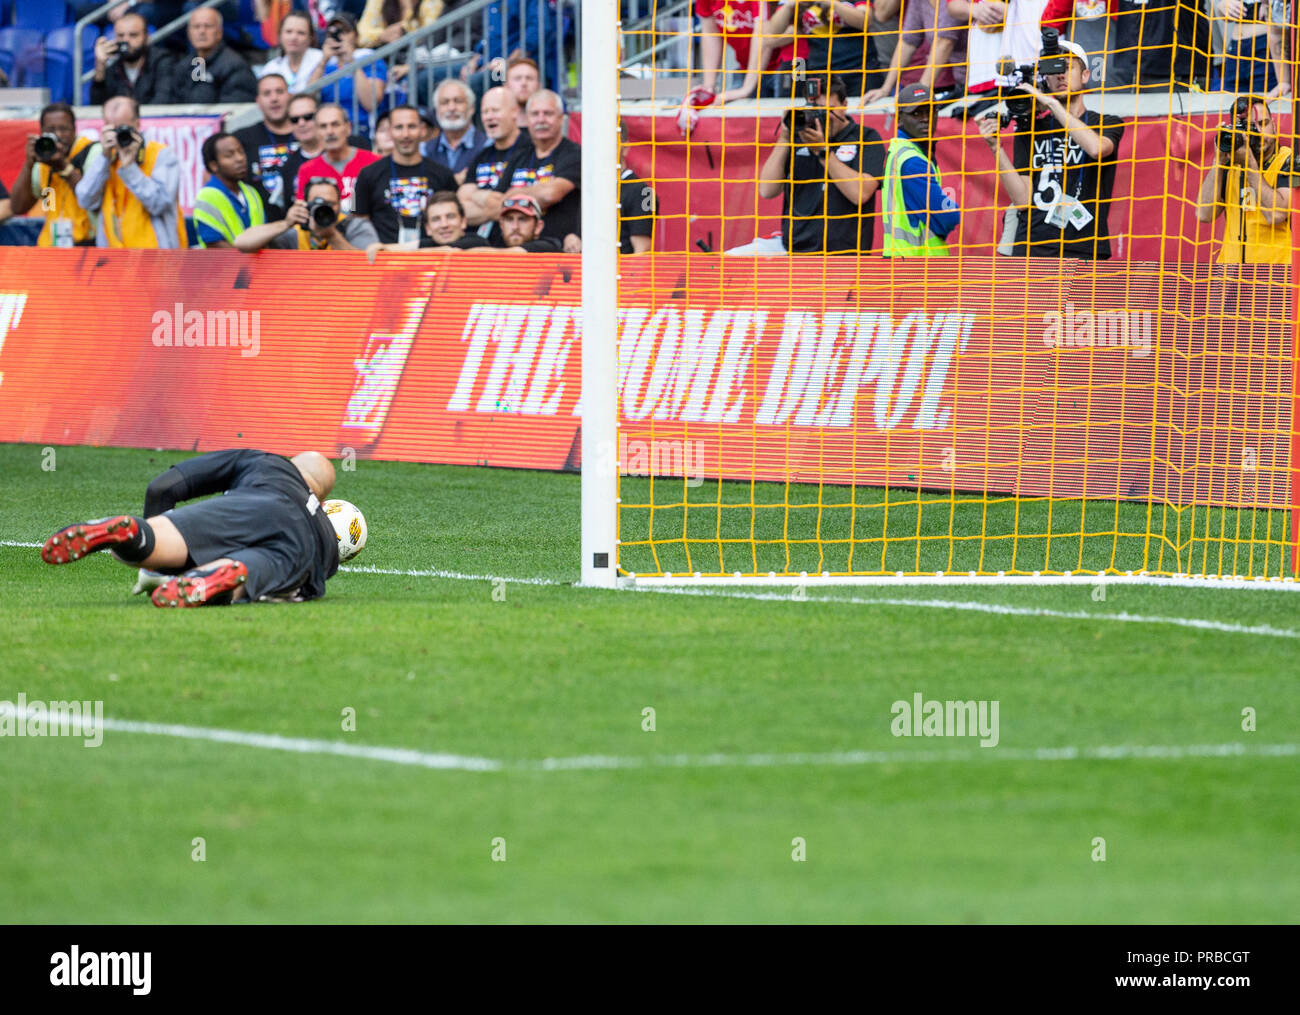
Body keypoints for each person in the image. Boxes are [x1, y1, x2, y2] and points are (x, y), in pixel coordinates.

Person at [41, 450, 349, 608]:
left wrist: (159, 565)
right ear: (321, 498)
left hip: (250, 501)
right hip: (299, 542)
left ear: (293, 464)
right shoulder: (325, 537)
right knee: (254, 572)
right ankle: (218, 577)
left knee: (150, 543)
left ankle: (132, 533)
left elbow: (163, 487)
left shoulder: (264, 462)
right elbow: (308, 588)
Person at [976, 38, 1124, 259]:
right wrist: (996, 148)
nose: (1060, 75)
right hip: (1032, 248)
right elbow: (1023, 200)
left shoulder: (1107, 122)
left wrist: (1051, 104)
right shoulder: (1031, 126)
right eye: (1052, 69)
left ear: (1085, 76)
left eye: (1067, 66)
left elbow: (1096, 149)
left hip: (1084, 249)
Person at [738, 75, 886, 254]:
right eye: (815, 110)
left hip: (843, 256)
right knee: (730, 261)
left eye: (828, 110)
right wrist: (785, 137)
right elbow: (767, 190)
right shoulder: (799, 137)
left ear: (845, 104)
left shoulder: (866, 137)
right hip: (793, 249)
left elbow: (860, 194)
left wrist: (822, 151)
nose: (822, 117)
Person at [461, 90, 580, 249]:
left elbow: (550, 194)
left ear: (561, 118)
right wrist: (514, 198)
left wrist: (511, 196)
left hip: (553, 248)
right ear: (527, 119)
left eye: (548, 113)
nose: (541, 119)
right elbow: (497, 202)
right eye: (535, 114)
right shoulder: (520, 155)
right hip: (512, 248)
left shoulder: (574, 153)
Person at [76, 96, 186, 249]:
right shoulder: (105, 157)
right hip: (114, 259)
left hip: (156, 257)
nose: (120, 135)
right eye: (113, 129)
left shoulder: (161, 154)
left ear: (137, 123)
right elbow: (85, 199)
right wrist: (104, 158)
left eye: (124, 128)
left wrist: (129, 168)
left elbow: (160, 203)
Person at [1195, 94, 1294, 263]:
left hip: (1276, 278)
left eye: (1263, 124)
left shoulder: (1290, 160)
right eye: (1250, 127)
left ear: (1274, 125)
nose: (1259, 132)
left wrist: (1249, 164)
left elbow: (1276, 215)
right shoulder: (1230, 164)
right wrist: (1218, 160)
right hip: (1232, 277)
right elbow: (1204, 214)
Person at [353, 105, 458, 245]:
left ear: (422, 130)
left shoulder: (443, 174)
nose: (405, 134)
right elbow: (358, 221)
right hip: (385, 259)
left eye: (412, 127)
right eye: (399, 127)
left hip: (432, 258)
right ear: (390, 131)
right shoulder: (368, 174)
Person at [677, 1, 784, 133]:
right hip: (746, 70)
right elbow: (711, 32)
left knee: (784, 126)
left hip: (785, 68)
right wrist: (708, 87)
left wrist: (746, 89)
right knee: (738, 129)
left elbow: (763, 34)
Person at [880, 84, 960, 256]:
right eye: (916, 113)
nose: (925, 118)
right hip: (916, 266)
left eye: (930, 111)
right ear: (899, 118)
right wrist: (953, 207)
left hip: (904, 261)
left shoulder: (902, 150)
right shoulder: (912, 161)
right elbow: (948, 218)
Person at [9, 103, 96, 248]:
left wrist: (63, 167)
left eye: (63, 129)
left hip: (87, 246)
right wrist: (29, 164)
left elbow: (91, 199)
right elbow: (18, 207)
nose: (58, 135)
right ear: (42, 132)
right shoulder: (42, 161)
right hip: (52, 247)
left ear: (74, 129)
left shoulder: (91, 153)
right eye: (51, 130)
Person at [765, 0, 884, 99]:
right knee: (817, 117)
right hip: (817, 71)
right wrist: (788, 5)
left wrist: (832, 3)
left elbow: (866, 21)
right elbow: (773, 33)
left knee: (862, 119)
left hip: (860, 69)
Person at [864, 0, 968, 104]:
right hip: (962, 80)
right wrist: (885, 88)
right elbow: (908, 41)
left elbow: (944, 42)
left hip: (973, 80)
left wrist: (920, 92)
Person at [237, 176, 380, 251]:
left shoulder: (354, 225)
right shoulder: (296, 229)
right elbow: (241, 243)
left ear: (340, 204)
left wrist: (332, 236)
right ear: (305, 204)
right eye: (317, 203)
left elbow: (367, 264)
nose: (324, 209)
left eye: (330, 204)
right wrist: (285, 223)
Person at [161, 6, 258, 104]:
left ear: (219, 33)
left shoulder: (235, 66)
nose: (202, 31)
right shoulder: (184, 65)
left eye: (208, 26)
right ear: (189, 33)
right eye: (196, 26)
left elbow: (237, 105)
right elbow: (172, 101)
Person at [294, 103, 382, 211]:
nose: (330, 132)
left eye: (335, 124)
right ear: (316, 133)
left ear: (348, 128)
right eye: (323, 126)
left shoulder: (374, 162)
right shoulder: (307, 170)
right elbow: (302, 212)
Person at [233, 73, 297, 214]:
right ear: (258, 101)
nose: (274, 98)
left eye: (279, 91)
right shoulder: (242, 138)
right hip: (262, 225)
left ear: (290, 97)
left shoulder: (307, 132)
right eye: (267, 93)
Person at [194, 132, 268, 249]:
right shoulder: (207, 197)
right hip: (224, 266)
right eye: (229, 155)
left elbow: (264, 235)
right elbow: (214, 245)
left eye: (241, 152)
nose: (240, 158)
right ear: (214, 165)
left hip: (258, 266)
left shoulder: (251, 192)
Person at [317, 12, 387, 136]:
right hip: (328, 132)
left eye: (344, 31)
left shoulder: (368, 57)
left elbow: (371, 102)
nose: (339, 37)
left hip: (361, 130)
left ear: (356, 36)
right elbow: (308, 100)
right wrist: (323, 61)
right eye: (332, 33)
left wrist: (351, 61)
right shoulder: (324, 64)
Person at [460, 85, 533, 193]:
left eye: (495, 110)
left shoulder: (533, 150)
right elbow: (464, 197)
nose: (489, 117)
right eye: (485, 112)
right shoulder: (481, 157)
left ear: (514, 112)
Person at [90, 11, 170, 106]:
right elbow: (97, 107)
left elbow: (163, 103)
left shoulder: (163, 62)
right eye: (120, 35)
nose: (126, 40)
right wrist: (100, 66)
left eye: (133, 35)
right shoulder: (112, 66)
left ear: (147, 38)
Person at [423, 79, 485, 174]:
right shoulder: (424, 150)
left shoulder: (488, 145)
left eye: (458, 101)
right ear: (436, 110)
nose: (451, 108)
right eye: (444, 102)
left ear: (471, 108)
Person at [1215, 0, 1276, 94]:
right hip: (1235, 48)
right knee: (1231, 104)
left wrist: (1273, 5)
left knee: (1266, 104)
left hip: (1265, 46)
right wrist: (1223, 6)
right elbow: (1223, 13)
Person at [258, 10, 326, 93]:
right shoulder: (271, 68)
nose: (293, 37)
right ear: (280, 35)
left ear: (310, 38)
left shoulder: (323, 59)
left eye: (301, 33)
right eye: (288, 31)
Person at [620, 125, 657, 254]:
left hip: (620, 272)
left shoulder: (643, 192)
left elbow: (642, 249)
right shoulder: (589, 188)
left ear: (625, 148)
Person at [358, 0, 444, 48]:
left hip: (416, 61)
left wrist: (408, 7)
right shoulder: (379, 2)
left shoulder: (431, 2)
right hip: (387, 59)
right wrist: (382, 35)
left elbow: (429, 37)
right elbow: (361, 35)